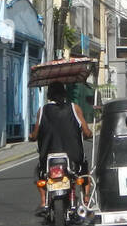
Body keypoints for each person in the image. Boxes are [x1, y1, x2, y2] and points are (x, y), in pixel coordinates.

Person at [30, 81, 92, 215]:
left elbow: (35, 135)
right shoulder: (74, 108)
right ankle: (86, 200)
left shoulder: (42, 111)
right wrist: (88, 134)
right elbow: (87, 132)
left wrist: (32, 136)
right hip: (73, 157)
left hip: (48, 158)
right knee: (84, 171)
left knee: (39, 173)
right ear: (64, 94)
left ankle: (43, 201)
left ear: (49, 95)